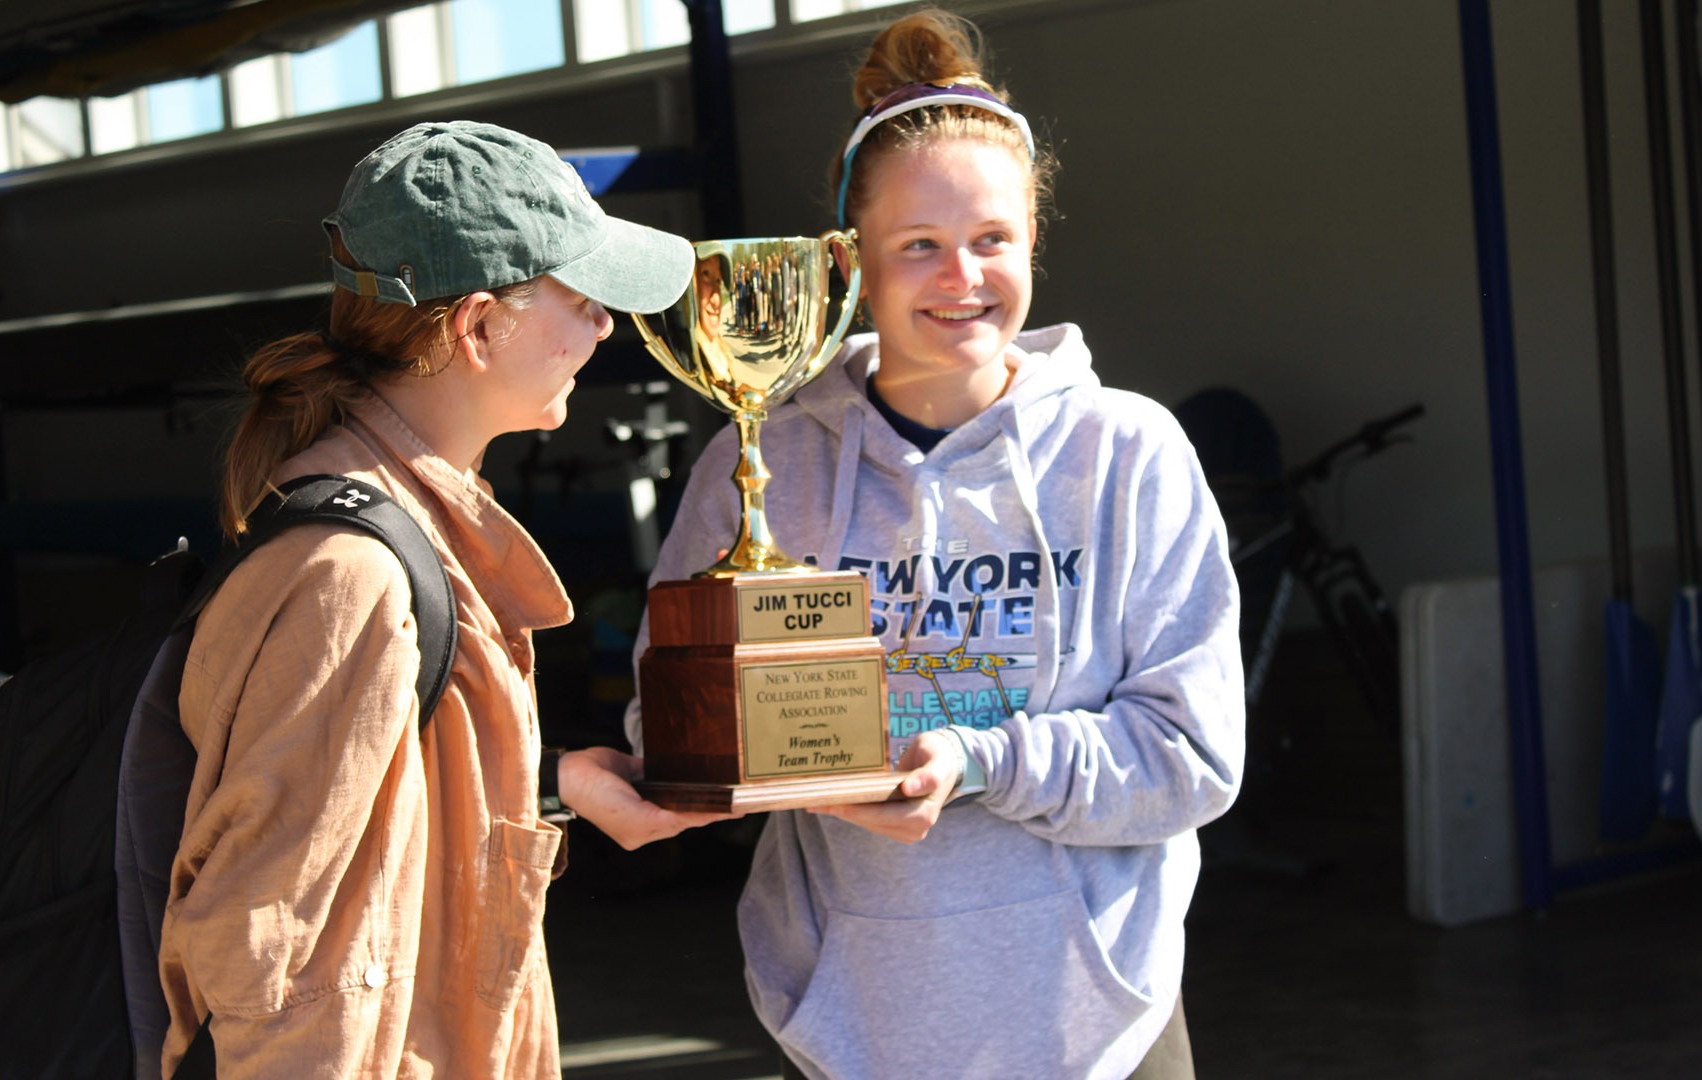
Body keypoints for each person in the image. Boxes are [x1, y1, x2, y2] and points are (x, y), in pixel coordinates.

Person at [624, 10, 1245, 1079]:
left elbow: (1192, 757)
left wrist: (976, 761)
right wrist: (719, 764)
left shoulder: (1127, 451)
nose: (962, 276)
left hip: (1094, 1022)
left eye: (992, 239)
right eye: (919, 244)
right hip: (847, 1024)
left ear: (1035, 239)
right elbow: (665, 714)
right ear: (852, 258)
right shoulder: (764, 457)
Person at [158, 120, 734, 1079]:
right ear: (474, 327)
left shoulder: (396, 531)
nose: (604, 324)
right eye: (583, 296)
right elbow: (268, 952)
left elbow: (376, 803)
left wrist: (553, 790)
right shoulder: (353, 578)